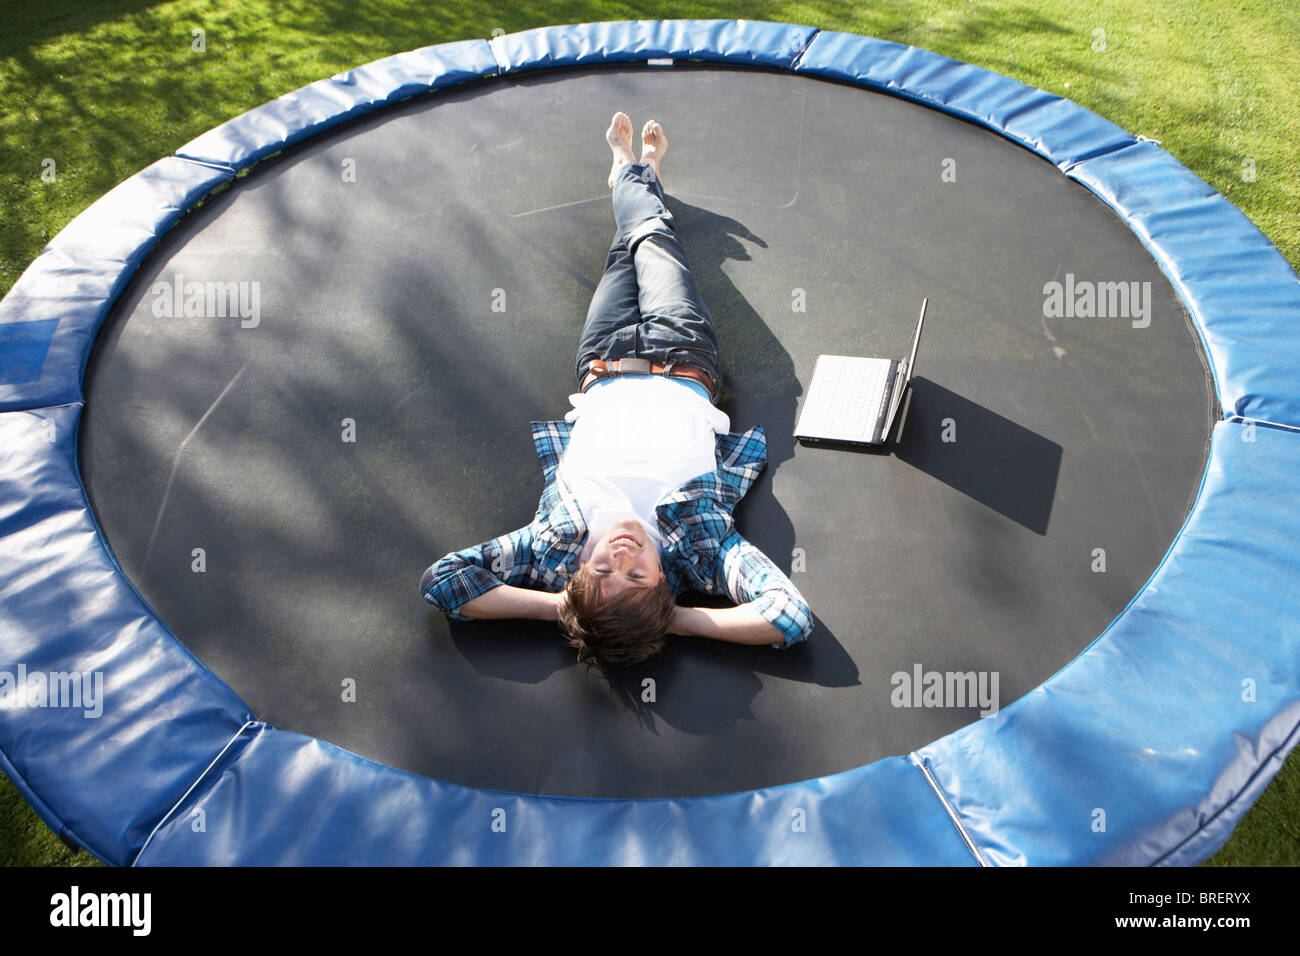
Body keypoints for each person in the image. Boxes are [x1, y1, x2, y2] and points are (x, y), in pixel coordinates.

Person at [420, 112, 813, 669]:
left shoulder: (555, 545)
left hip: (600, 358)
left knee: (623, 249)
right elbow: (788, 616)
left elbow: (445, 580)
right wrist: (671, 618)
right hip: (683, 354)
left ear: (580, 573)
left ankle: (637, 174)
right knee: (651, 237)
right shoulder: (701, 549)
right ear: (664, 588)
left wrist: (566, 607)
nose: (619, 556)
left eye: (601, 571)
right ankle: (636, 168)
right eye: (636, 576)